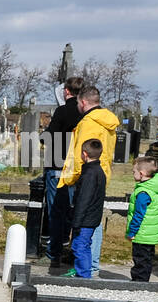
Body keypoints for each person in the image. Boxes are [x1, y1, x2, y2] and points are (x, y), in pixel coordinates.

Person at [59, 86, 119, 272]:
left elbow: (81, 153)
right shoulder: (108, 121)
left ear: (83, 102)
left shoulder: (88, 122)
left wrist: (74, 177)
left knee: (84, 220)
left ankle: (86, 267)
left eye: (77, 102)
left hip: (86, 174)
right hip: (102, 172)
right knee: (95, 219)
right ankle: (92, 264)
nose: (77, 105)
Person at [43, 77, 84, 270]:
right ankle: (71, 249)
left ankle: (54, 253)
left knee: (56, 211)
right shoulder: (85, 112)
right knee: (72, 210)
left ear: (66, 91)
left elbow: (50, 137)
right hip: (78, 166)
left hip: (58, 165)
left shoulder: (62, 111)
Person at [125, 155, 158, 282]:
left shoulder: (143, 193)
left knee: (140, 262)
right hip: (150, 234)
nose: (133, 174)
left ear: (142, 173)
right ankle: (143, 283)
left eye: (134, 172)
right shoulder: (155, 188)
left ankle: (139, 285)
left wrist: (132, 232)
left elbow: (139, 214)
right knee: (147, 261)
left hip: (142, 234)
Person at [70, 138, 107, 279]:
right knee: (84, 246)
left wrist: (76, 222)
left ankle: (83, 276)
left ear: (84, 154)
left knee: (79, 246)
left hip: (85, 218)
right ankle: (84, 273)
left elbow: (83, 200)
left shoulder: (89, 174)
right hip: (92, 217)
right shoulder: (98, 171)